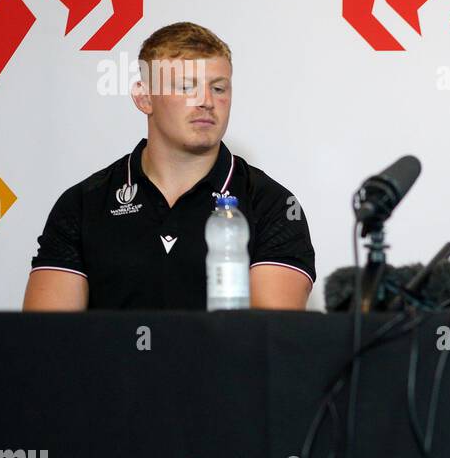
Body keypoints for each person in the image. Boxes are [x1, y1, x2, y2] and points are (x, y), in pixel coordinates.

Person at [23, 22, 315, 310]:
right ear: (144, 97)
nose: (207, 102)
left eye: (218, 88)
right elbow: (48, 341)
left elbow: (272, 339)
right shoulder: (83, 204)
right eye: (187, 86)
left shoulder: (273, 205)